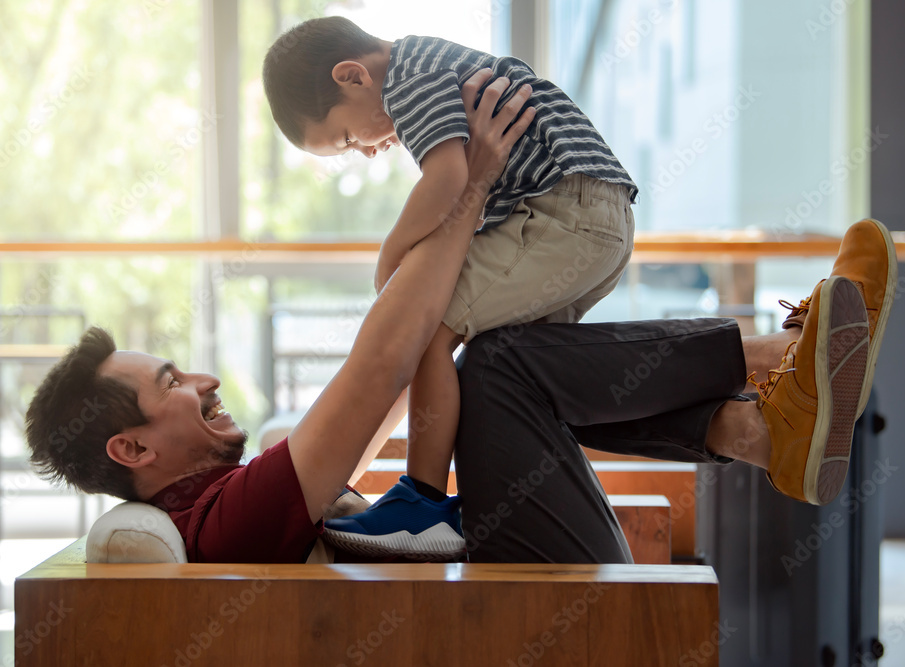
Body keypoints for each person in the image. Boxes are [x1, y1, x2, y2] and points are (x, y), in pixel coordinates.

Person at [23, 72, 898, 565]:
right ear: (131, 449)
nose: (203, 379)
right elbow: (375, 370)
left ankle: (757, 430)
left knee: (500, 356)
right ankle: (779, 351)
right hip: (531, 584)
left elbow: (392, 384)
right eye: (170, 383)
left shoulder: (228, 500)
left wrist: (453, 286)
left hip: (527, 554)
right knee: (503, 365)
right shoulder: (222, 520)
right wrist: (472, 185)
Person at [263, 16, 639, 558]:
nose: (365, 151)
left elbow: (448, 179)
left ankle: (422, 503)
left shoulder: (408, 80)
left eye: (347, 137)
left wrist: (391, 255)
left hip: (566, 214)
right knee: (506, 367)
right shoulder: (429, 63)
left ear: (352, 77)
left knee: (430, 327)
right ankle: (502, 503)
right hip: (594, 218)